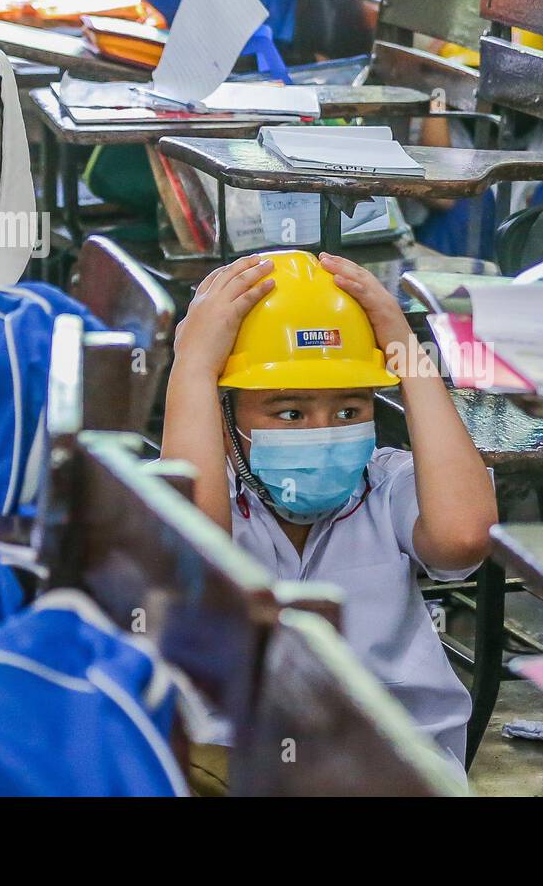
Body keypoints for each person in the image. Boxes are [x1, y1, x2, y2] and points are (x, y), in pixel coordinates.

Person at [161, 249, 497, 776]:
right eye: (290, 412)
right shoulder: (211, 496)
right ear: (224, 415)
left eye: (349, 409)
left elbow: (463, 536)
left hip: (390, 769)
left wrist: (406, 353)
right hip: (239, 769)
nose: (322, 430)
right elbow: (194, 556)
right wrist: (195, 367)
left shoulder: (387, 485)